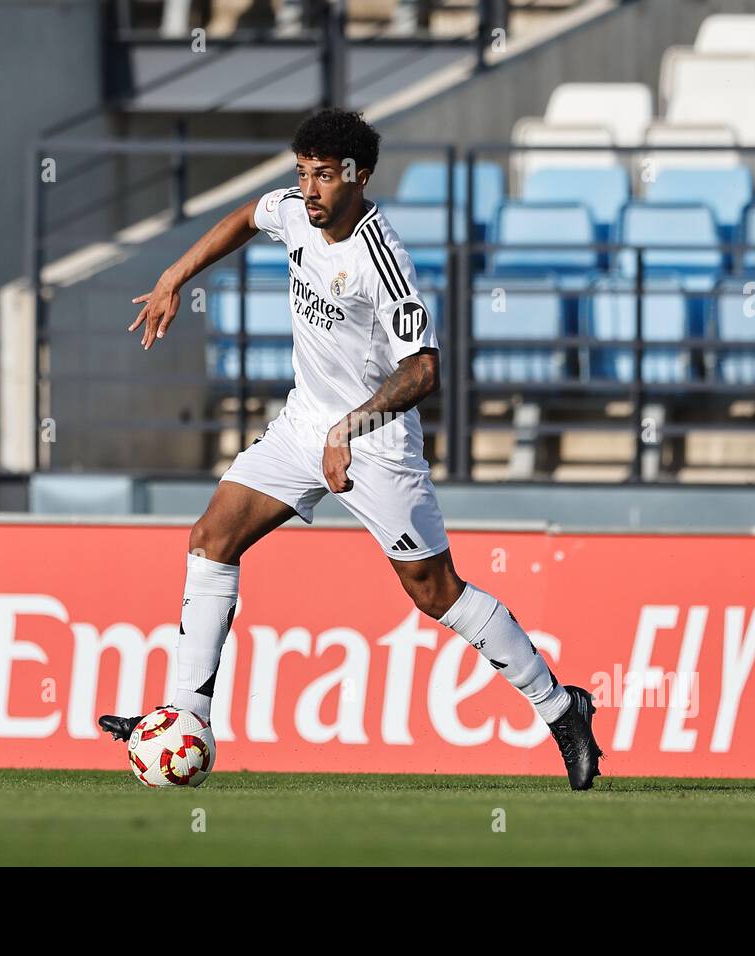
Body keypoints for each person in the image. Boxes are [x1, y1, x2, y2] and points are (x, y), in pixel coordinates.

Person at [101, 108, 603, 789]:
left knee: (435, 593)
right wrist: (174, 277)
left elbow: (424, 369)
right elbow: (249, 215)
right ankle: (185, 718)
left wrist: (352, 428)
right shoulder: (296, 214)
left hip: (376, 443)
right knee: (210, 538)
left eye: (325, 177)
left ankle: (559, 706)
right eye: (303, 173)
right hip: (305, 423)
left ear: (359, 177)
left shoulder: (381, 261)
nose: (309, 191)